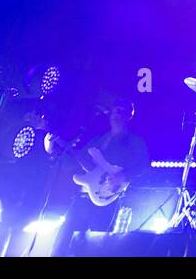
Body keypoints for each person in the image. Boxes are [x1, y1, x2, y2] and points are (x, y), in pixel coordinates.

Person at [49, 99, 150, 256]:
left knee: (97, 244)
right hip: (84, 195)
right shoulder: (99, 139)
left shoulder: (134, 141)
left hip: (109, 195)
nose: (116, 113)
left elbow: (143, 165)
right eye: (114, 110)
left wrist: (123, 176)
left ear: (129, 115)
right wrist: (58, 147)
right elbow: (84, 161)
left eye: (121, 110)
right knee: (64, 240)